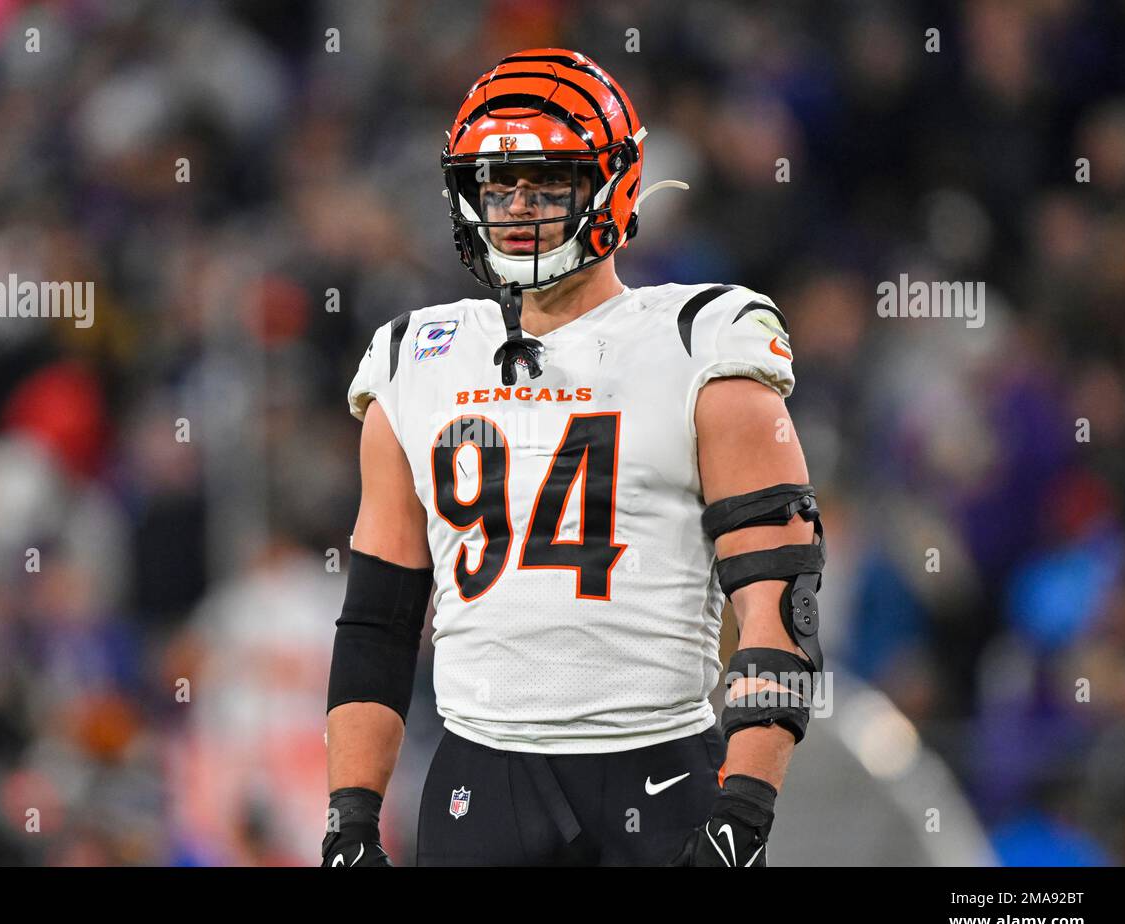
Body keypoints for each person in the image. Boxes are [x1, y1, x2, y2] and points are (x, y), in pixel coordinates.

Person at [322, 48, 825, 866]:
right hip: (477, 781)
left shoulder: (702, 345)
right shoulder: (413, 359)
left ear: (610, 183)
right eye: (496, 184)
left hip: (659, 773)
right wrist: (349, 818)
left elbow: (781, 608)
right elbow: (378, 623)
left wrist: (745, 808)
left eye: (547, 181)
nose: (517, 207)